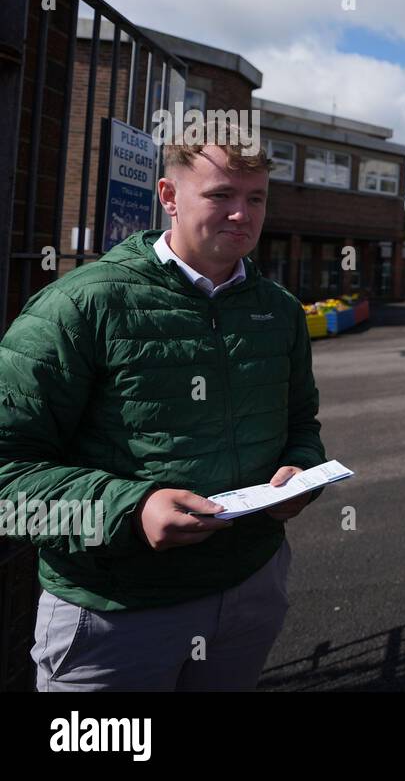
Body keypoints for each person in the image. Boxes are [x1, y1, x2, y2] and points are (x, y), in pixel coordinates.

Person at [0, 126, 325, 691]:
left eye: (255, 198)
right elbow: (9, 477)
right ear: (169, 197)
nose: (241, 215)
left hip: (250, 589)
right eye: (221, 195)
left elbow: (301, 425)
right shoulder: (80, 305)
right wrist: (133, 509)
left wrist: (301, 470)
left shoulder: (280, 310)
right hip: (114, 611)